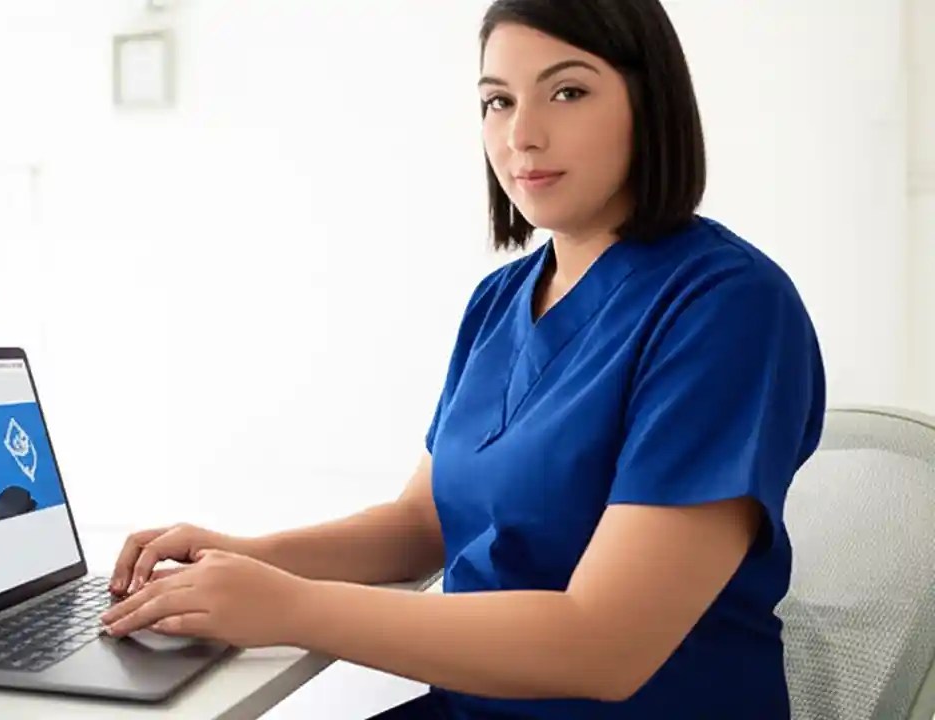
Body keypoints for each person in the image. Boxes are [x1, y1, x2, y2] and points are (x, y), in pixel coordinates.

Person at [99, 0, 826, 717]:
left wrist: (291, 607)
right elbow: (425, 524)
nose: (523, 135)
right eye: (496, 102)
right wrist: (248, 556)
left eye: (567, 92)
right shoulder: (501, 299)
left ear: (650, 100)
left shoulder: (726, 308)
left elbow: (606, 646)